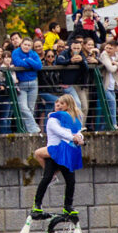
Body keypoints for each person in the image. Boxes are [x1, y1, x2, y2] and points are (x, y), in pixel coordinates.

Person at [30, 91, 85, 219]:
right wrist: (73, 138)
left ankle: (68, 207)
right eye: (57, 103)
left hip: (66, 152)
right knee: (46, 178)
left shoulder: (71, 119)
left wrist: (80, 138)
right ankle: (37, 205)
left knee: (71, 181)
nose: (58, 105)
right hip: (54, 153)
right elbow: (60, 132)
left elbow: (78, 131)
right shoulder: (53, 119)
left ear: (68, 105)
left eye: (61, 104)